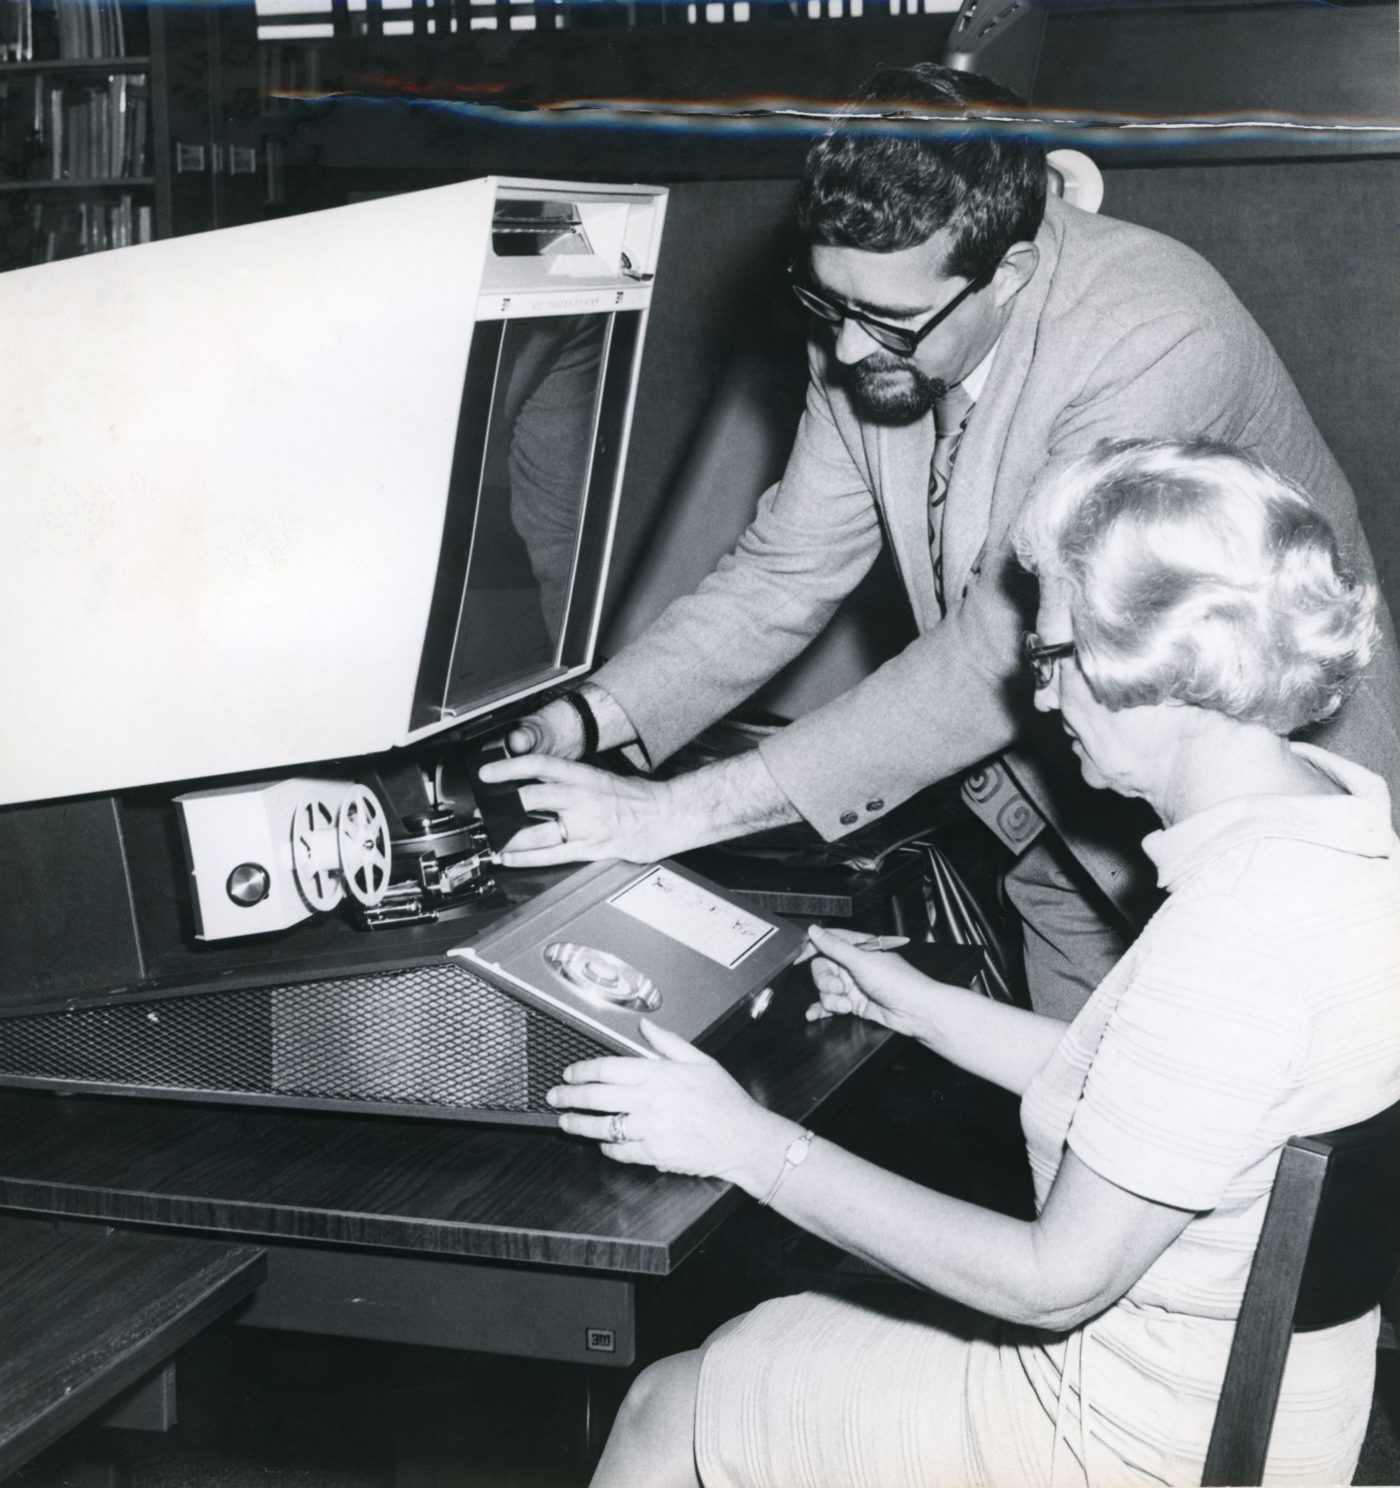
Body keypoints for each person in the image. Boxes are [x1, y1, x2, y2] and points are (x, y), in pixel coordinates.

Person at [547, 439, 1400, 1488]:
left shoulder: (1232, 935)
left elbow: (1051, 1284)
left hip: (1131, 1441)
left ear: (1150, 661)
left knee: (675, 1399)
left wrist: (739, 1140)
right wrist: (922, 1008)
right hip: (1275, 1403)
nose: (1039, 699)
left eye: (1050, 657)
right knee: (777, 1336)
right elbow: (1165, 1100)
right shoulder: (1334, 831)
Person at [478, 62, 1400, 1020]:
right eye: (827, 305)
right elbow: (785, 571)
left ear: (1008, 273)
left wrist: (671, 814)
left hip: (1261, 840)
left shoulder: (1157, 337)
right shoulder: (866, 319)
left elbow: (993, 652)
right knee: (1063, 1134)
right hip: (1069, 816)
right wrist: (591, 719)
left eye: (890, 322)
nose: (845, 354)